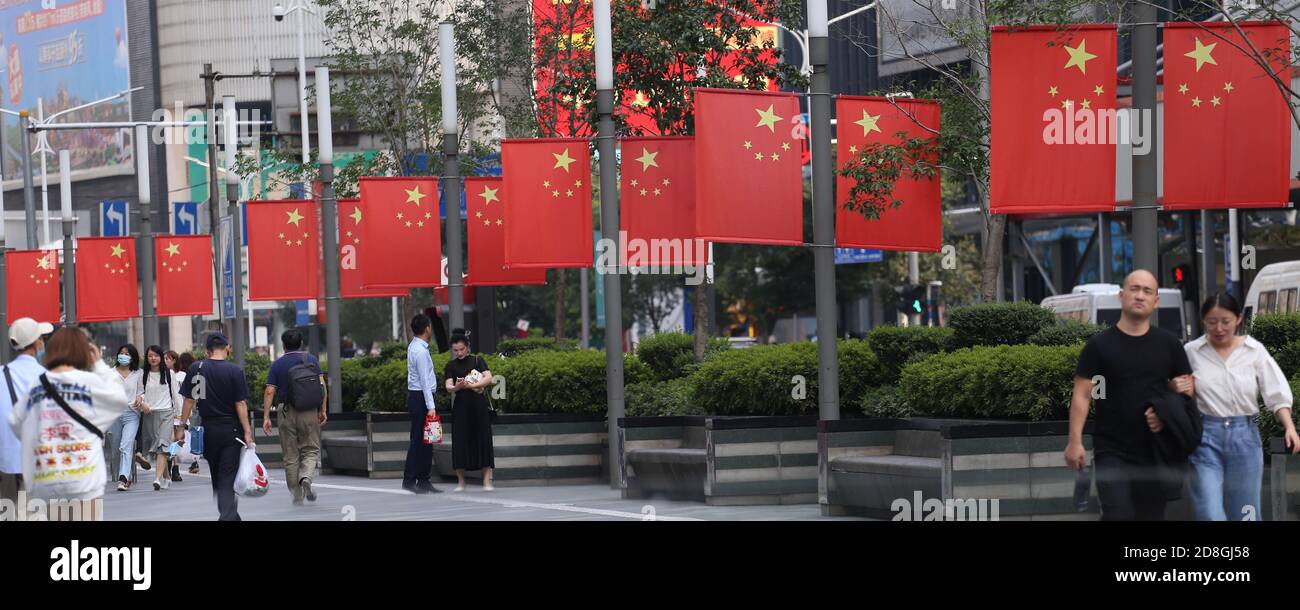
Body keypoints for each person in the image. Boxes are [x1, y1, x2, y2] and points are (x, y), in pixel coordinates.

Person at [1065, 270, 1195, 521]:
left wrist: (1166, 413)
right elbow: (1082, 394)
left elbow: (1187, 390)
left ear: (1156, 301)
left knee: (1151, 516)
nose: (1140, 295)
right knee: (1118, 515)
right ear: (1121, 296)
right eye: (1134, 289)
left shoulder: (1169, 344)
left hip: (1155, 450)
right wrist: (1074, 441)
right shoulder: (1099, 345)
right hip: (1111, 450)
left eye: (1147, 291)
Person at [1174, 292, 1298, 521]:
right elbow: (1175, 393)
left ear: (1238, 319)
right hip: (1205, 437)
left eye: (1225, 321)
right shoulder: (1191, 352)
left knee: (1245, 512)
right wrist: (1177, 388)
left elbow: (1276, 391)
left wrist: (1289, 427)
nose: (1219, 328)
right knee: (1209, 511)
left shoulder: (1254, 350)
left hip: (1245, 437)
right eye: (1212, 322)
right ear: (1203, 321)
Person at [9, 327, 128, 520]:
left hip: (47, 477)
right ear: (83, 351)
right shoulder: (87, 381)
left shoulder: (37, 385)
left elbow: (15, 422)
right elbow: (119, 399)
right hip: (84, 478)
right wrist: (98, 365)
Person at [177, 333, 254, 521]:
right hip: (231, 430)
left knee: (217, 475)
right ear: (227, 347)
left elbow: (189, 400)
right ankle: (227, 516)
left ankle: (230, 516)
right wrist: (247, 431)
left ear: (207, 350)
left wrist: (181, 426)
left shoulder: (197, 368)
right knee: (228, 475)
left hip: (208, 430)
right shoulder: (235, 371)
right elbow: (240, 404)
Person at [262, 328, 328, 505]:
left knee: (290, 455)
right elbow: (322, 387)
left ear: (283, 345)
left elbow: (269, 391)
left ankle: (297, 495)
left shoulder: (278, 364)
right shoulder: (311, 360)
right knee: (311, 449)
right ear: (301, 343)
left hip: (286, 411)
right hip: (309, 411)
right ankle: (306, 476)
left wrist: (266, 416)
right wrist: (323, 410)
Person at [0, 318, 53, 506]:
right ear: (36, 343)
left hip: (5, 463)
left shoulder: (1, 374)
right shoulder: (46, 378)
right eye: (41, 338)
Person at [445, 331, 495, 492]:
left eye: (461, 349)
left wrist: (471, 386)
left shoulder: (477, 360)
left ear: (467, 347)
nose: (459, 353)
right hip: (460, 407)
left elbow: (489, 378)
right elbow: (448, 387)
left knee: (483, 439)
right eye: (455, 350)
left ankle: (487, 481)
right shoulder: (451, 366)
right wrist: (457, 387)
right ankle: (461, 482)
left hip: (478, 405)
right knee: (460, 442)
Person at [402, 314, 441, 494]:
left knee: (428, 439)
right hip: (422, 399)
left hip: (421, 397)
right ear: (427, 328)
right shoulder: (421, 351)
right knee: (418, 439)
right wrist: (431, 406)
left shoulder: (415, 346)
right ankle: (410, 480)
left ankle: (424, 479)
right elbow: (425, 381)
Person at [138, 346, 183, 491]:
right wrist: (143, 404)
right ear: (147, 358)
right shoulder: (143, 375)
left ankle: (157, 479)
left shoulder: (169, 374)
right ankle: (166, 476)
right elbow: (139, 394)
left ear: (160, 358)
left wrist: (181, 417)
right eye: (150, 356)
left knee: (163, 446)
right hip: (149, 414)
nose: (153, 358)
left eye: (156, 355)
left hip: (167, 413)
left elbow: (176, 395)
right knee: (158, 448)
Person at [108, 344, 150, 491]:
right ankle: (123, 473)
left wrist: (141, 397)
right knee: (116, 448)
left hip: (132, 413)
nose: (123, 356)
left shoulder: (139, 373)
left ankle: (124, 478)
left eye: (127, 354)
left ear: (132, 357)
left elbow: (143, 391)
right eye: (121, 353)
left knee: (125, 445)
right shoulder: (110, 373)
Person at [172, 352, 201, 475]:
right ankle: (194, 460)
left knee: (175, 438)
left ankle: (174, 465)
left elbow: (187, 398)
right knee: (193, 436)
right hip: (194, 410)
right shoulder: (195, 374)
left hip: (180, 411)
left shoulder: (177, 375)